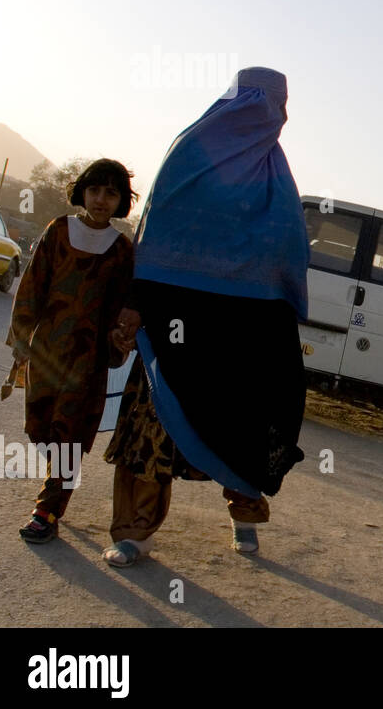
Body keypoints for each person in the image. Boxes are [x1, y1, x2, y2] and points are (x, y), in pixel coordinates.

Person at [103, 66, 310, 566]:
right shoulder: (190, 153)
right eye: (254, 100)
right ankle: (134, 531)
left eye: (272, 105)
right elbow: (155, 232)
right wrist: (133, 304)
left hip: (245, 330)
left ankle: (244, 512)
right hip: (173, 318)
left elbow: (285, 257)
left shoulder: (275, 179)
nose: (262, 113)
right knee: (153, 424)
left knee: (246, 422)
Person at [6, 159, 138, 544]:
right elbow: (31, 287)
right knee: (41, 428)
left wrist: (119, 341)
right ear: (82, 191)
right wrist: (20, 340)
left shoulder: (121, 251)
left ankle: (47, 510)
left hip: (88, 362)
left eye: (111, 193)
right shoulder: (58, 231)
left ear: (121, 201)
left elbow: (120, 309)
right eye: (95, 190)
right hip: (46, 352)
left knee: (70, 433)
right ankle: (60, 479)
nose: (101, 200)